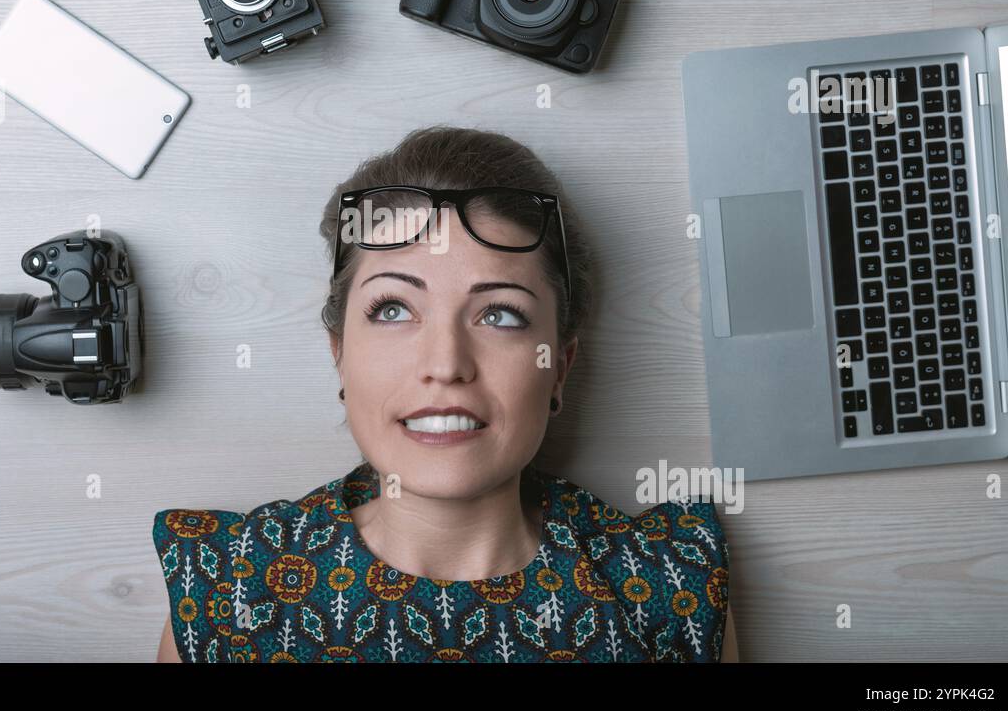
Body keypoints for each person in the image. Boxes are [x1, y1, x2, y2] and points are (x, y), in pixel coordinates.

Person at [154, 125, 736, 661]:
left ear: (559, 367)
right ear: (339, 354)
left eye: (501, 315)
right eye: (392, 310)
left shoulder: (674, 588)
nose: (445, 364)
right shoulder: (223, 589)